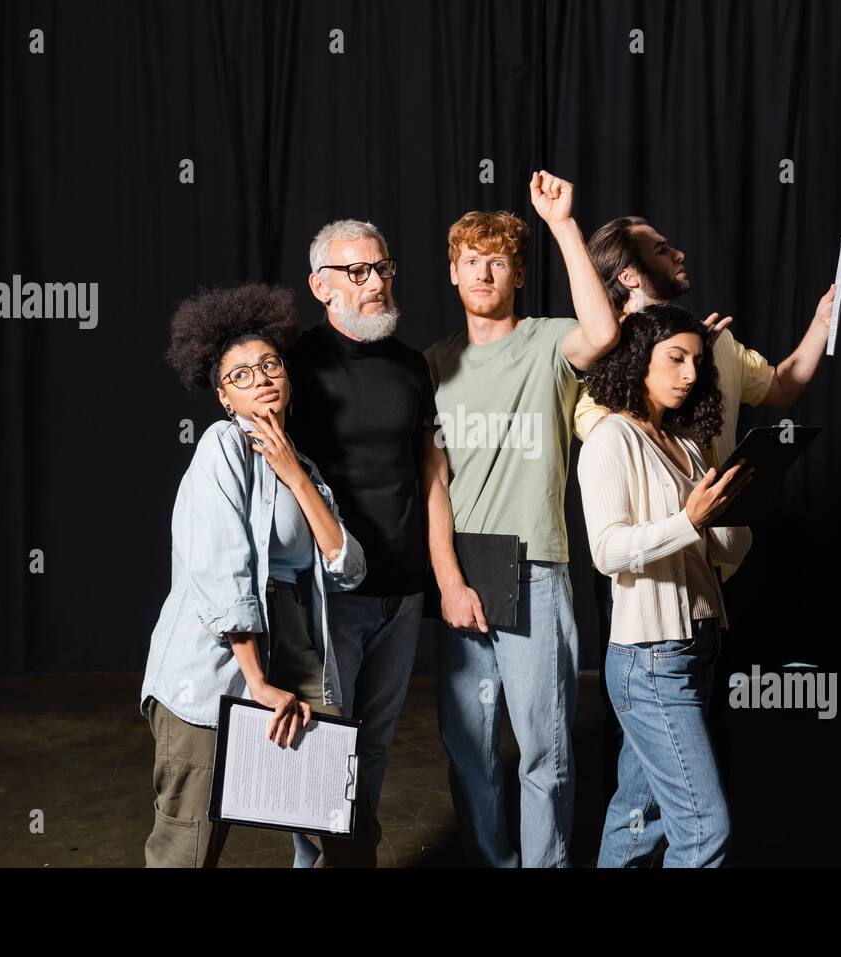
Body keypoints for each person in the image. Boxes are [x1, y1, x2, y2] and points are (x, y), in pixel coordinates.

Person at [580, 216, 838, 809]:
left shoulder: (711, 344)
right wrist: (687, 513)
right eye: (661, 249)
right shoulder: (605, 360)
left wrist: (821, 323)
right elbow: (616, 454)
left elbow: (780, 386)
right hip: (646, 587)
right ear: (628, 273)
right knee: (686, 799)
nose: (680, 252)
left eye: (695, 365)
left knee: (650, 785)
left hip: (708, 575)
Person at [140, 282, 378, 867]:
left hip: (295, 661)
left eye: (268, 364)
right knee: (188, 847)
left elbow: (348, 567)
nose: (260, 377)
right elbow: (224, 571)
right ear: (223, 397)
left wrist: (296, 476)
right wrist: (258, 684)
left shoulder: (307, 468)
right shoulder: (222, 446)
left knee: (345, 830)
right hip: (216, 670)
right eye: (240, 375)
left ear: (288, 376)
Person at [423, 171, 620, 867]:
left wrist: (563, 223)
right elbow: (433, 485)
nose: (483, 270)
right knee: (469, 746)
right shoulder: (434, 366)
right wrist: (447, 580)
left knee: (546, 745)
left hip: (534, 569)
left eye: (498, 260)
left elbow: (604, 330)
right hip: (462, 574)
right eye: (470, 260)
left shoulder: (548, 342)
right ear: (452, 272)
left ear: (517, 274)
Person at [576, 304, 754, 867]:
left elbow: (726, 554)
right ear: (639, 359)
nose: (690, 374)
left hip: (700, 644)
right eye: (675, 358)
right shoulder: (611, 438)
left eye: (697, 361)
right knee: (704, 829)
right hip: (649, 660)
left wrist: (732, 508)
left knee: (640, 814)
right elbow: (607, 551)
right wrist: (690, 520)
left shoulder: (689, 443)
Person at [285, 220, 436, 868]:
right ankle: (314, 862)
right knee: (323, 746)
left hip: (400, 592)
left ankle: (347, 862)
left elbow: (429, 470)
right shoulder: (293, 367)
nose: (376, 281)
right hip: (329, 595)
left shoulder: (409, 365)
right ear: (321, 285)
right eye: (357, 272)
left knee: (371, 746)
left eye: (383, 267)